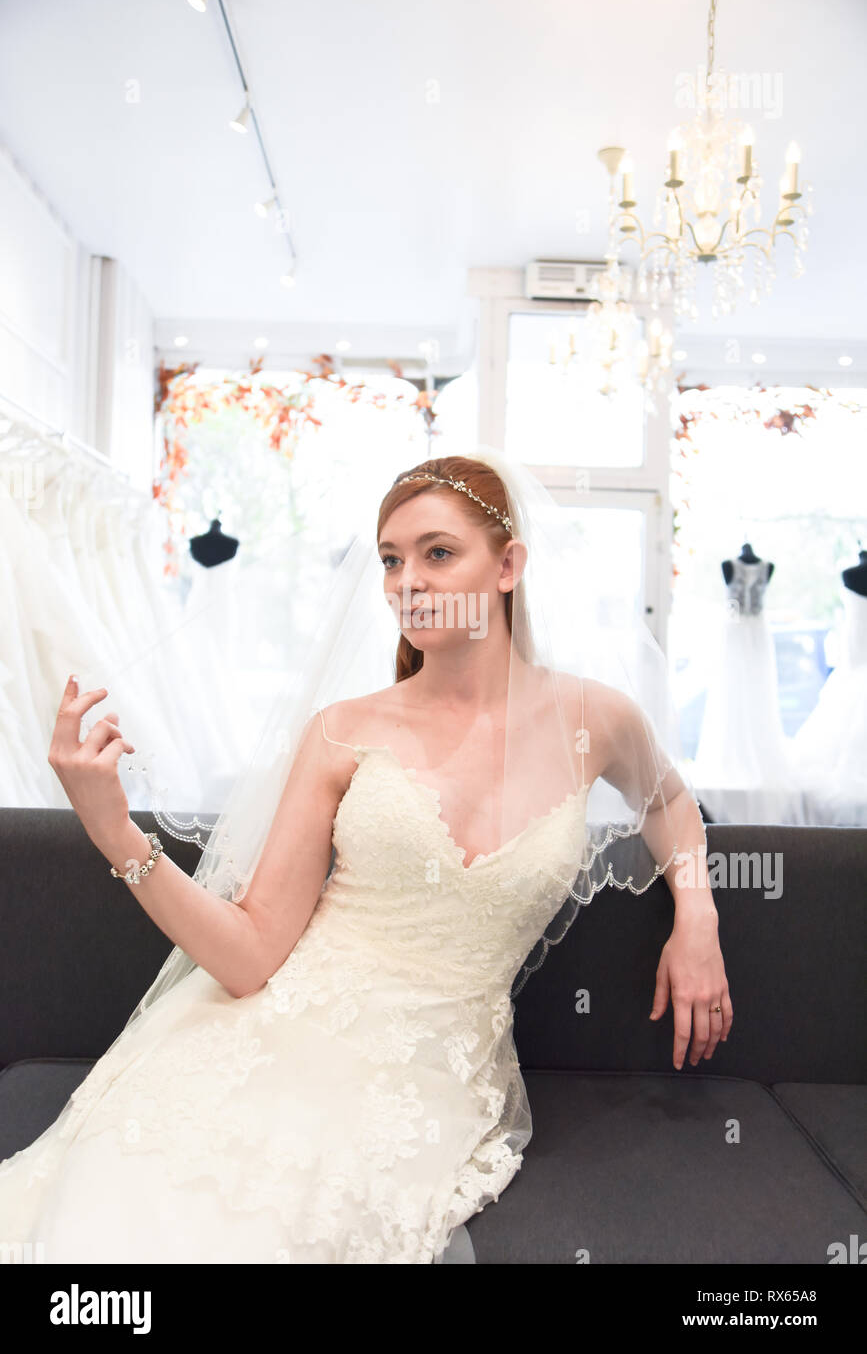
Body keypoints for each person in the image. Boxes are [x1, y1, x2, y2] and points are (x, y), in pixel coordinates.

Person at [0, 448, 731, 1264]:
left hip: (425, 1079)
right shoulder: (344, 731)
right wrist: (114, 831)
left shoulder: (596, 720)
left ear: (508, 566)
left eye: (437, 553)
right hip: (265, 1034)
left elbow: (667, 801)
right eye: (390, 560)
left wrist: (695, 915)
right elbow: (248, 957)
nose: (404, 582)